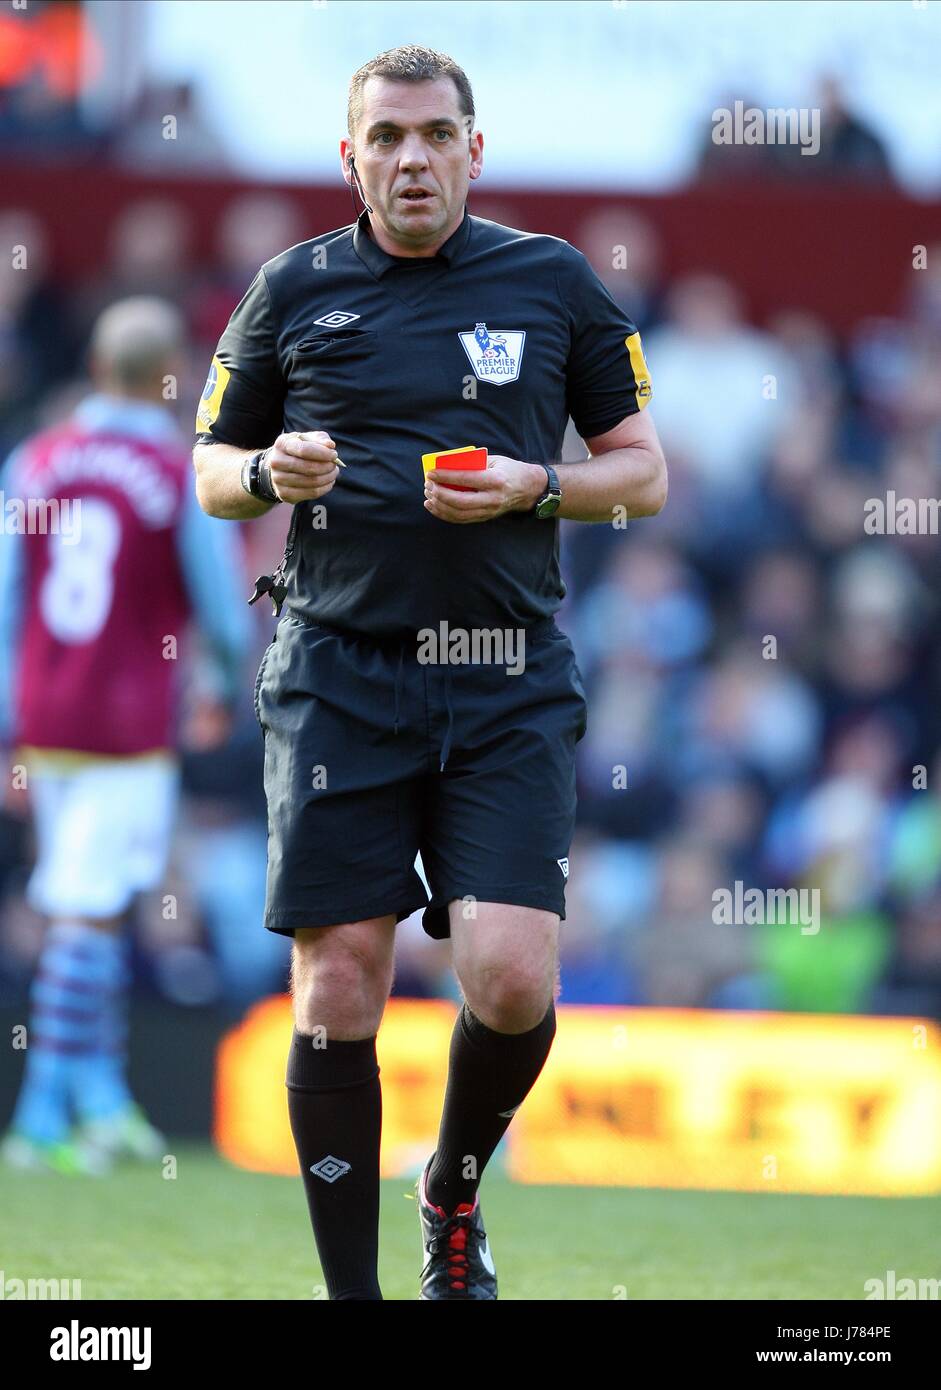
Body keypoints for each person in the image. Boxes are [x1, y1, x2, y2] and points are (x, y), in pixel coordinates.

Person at [193, 44, 667, 1300]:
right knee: (337, 983)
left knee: (511, 980)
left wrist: (539, 484)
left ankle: (449, 1194)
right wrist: (264, 475)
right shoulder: (289, 289)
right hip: (339, 672)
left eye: (436, 135)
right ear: (349, 157)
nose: (413, 158)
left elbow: (644, 471)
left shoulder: (551, 281)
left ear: (474, 147)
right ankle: (352, 1297)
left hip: (506, 676)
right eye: (388, 137)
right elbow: (209, 467)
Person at [0, 297, 250, 1174]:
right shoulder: (170, 468)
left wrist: (8, 725)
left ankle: (101, 1100)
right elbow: (219, 600)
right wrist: (220, 678)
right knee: (81, 909)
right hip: (128, 720)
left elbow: (8, 599)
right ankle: (40, 1119)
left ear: (99, 369)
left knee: (93, 905)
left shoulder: (35, 461)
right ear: (168, 372)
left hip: (45, 714)